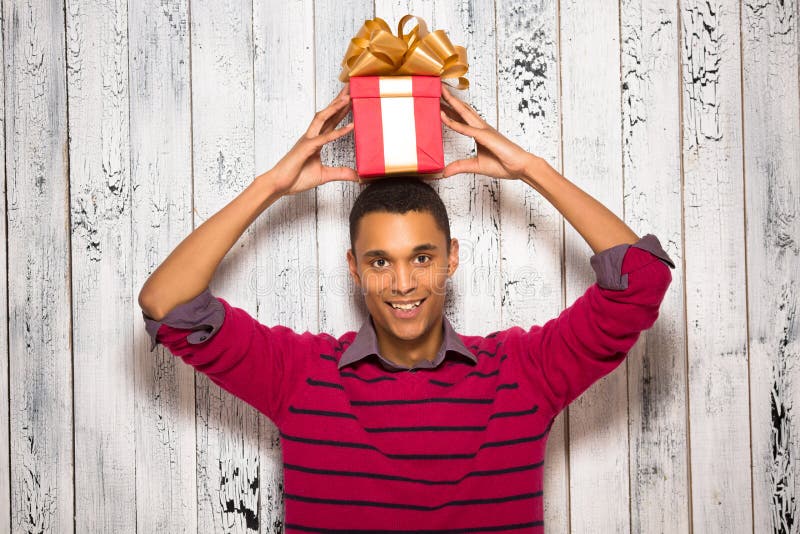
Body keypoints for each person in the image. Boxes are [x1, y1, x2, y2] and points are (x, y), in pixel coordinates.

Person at [138, 82, 675, 532]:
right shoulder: (299, 376)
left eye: (421, 257)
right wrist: (271, 186)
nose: (402, 282)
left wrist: (529, 169)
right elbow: (167, 304)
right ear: (354, 268)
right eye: (379, 262)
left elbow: (640, 280)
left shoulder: (523, 373)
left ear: (451, 259)